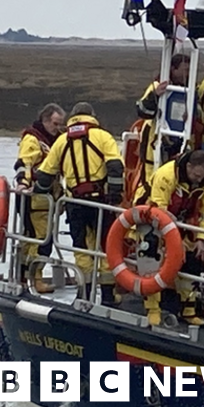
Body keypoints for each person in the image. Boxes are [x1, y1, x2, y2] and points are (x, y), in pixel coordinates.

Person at [34, 102, 124, 304]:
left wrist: (36, 191)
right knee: (106, 247)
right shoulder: (103, 137)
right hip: (101, 202)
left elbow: (46, 174)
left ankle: (84, 292)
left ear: (73, 117)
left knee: (81, 247)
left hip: (74, 202)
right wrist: (116, 197)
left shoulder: (61, 140)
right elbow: (116, 167)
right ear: (92, 116)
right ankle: (108, 296)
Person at [135, 149, 204, 327]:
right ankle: (153, 309)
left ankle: (189, 310)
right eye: (195, 175)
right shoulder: (167, 175)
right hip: (151, 214)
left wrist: (202, 238)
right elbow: (159, 210)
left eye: (201, 176)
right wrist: (175, 243)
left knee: (194, 259)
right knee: (151, 252)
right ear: (188, 167)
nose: (197, 180)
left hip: (179, 219)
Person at [13, 103, 65, 293]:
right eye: (55, 123)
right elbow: (24, 163)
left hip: (48, 200)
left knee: (37, 240)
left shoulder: (56, 140)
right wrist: (23, 182)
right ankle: (33, 278)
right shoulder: (33, 139)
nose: (58, 128)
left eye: (60, 124)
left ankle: (25, 277)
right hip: (33, 199)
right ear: (45, 120)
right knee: (39, 241)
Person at [135, 53, 194, 196]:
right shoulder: (158, 86)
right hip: (155, 143)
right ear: (173, 69)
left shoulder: (190, 91)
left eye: (189, 70)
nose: (188, 73)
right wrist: (154, 96)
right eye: (185, 69)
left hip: (177, 143)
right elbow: (143, 111)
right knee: (150, 182)